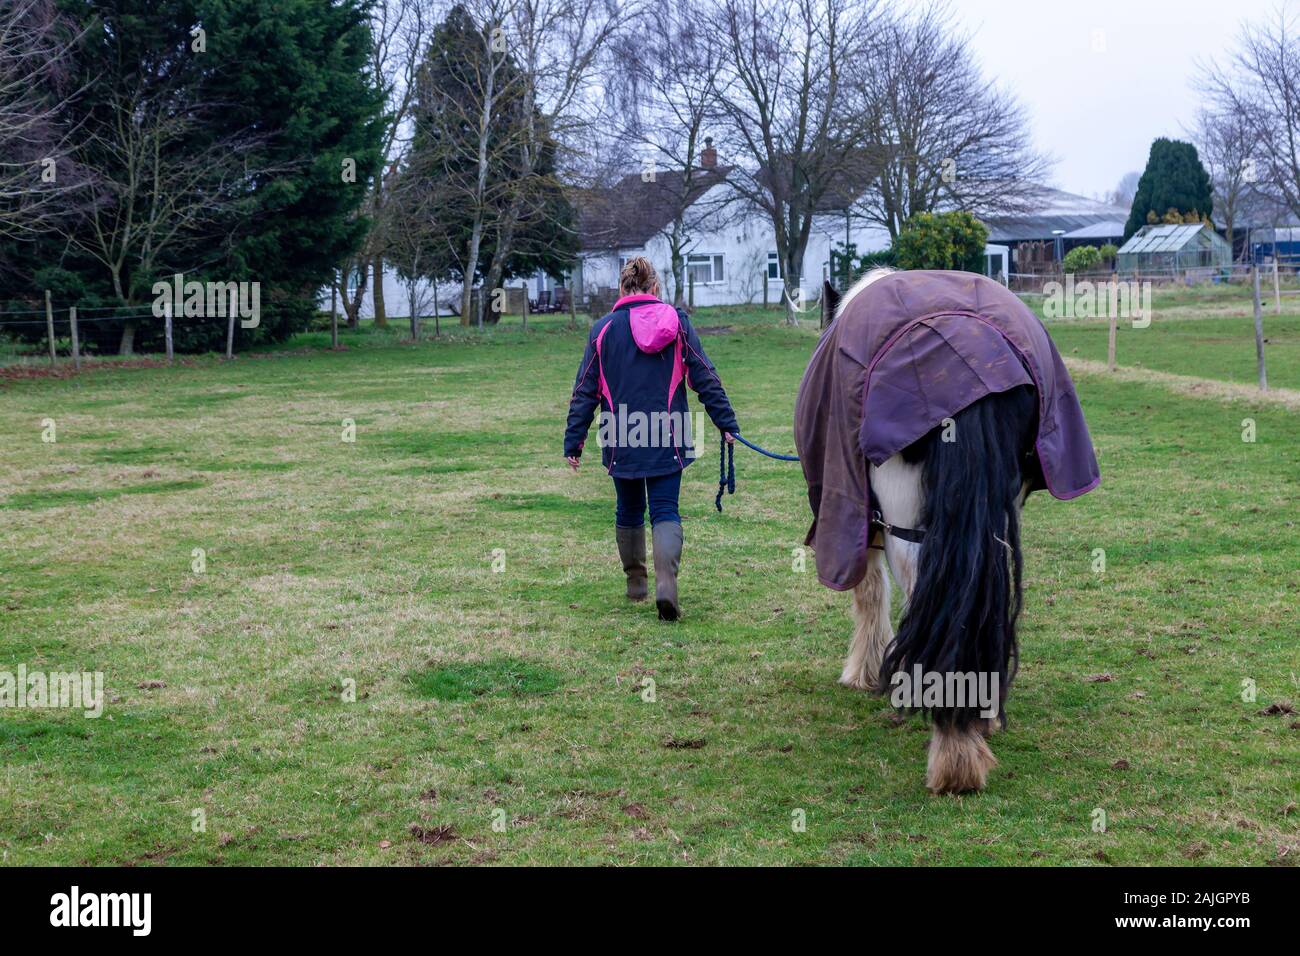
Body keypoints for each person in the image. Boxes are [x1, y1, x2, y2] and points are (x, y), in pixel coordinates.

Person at [563, 257, 738, 621]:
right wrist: (726, 422)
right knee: (665, 511)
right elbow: (704, 375)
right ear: (655, 288)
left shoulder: (603, 329)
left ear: (622, 289)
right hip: (668, 433)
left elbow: (585, 390)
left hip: (621, 434)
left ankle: (636, 582)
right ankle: (666, 585)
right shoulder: (678, 322)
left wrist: (574, 440)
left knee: (628, 510)